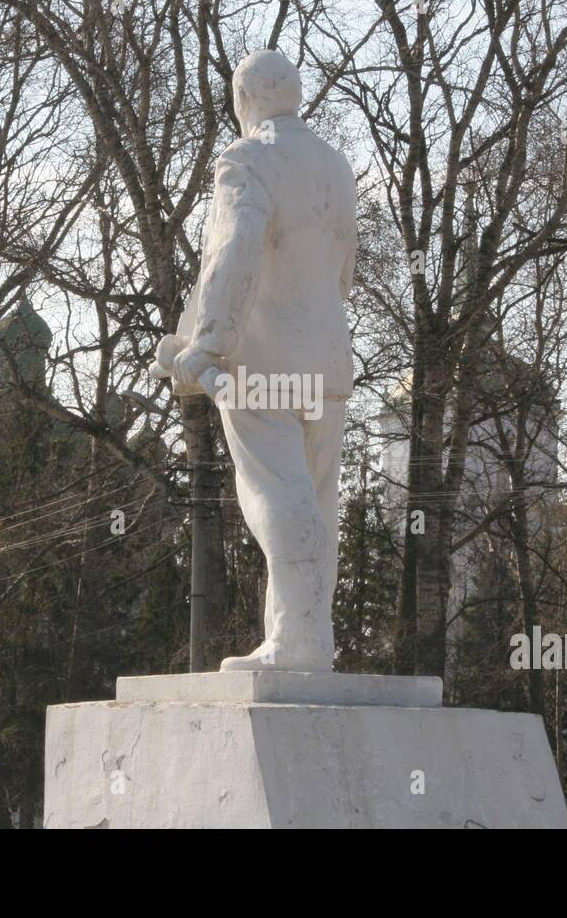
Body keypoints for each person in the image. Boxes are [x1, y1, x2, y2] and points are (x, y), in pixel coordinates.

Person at [170, 49, 357, 673]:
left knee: (279, 498)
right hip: (327, 366)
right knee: (317, 505)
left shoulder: (247, 159)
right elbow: (344, 269)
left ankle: (299, 643)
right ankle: (304, 640)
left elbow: (236, 250)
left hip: (263, 368)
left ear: (242, 100)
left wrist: (208, 345)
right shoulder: (336, 166)